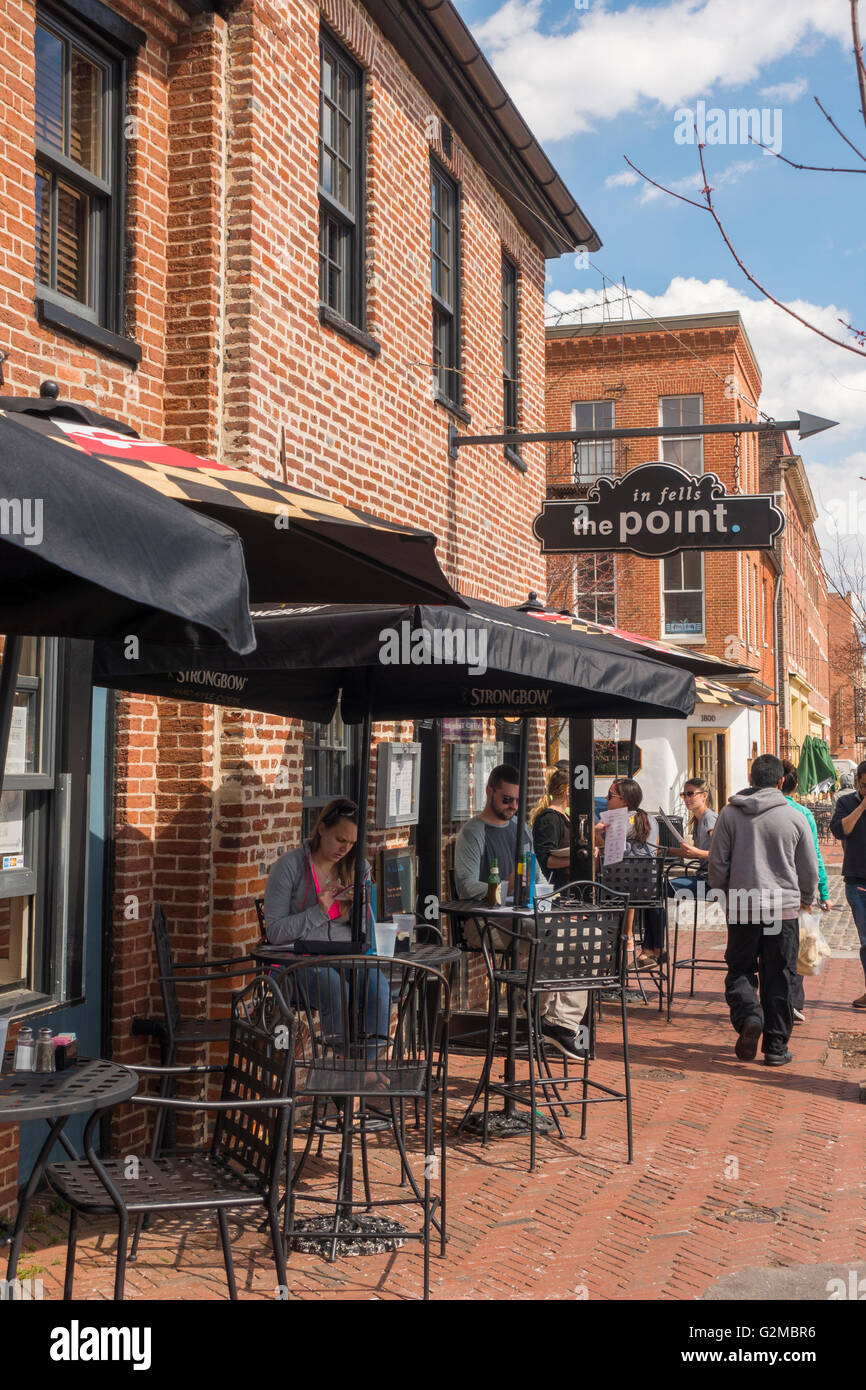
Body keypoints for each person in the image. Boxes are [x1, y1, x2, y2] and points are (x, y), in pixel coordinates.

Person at [455, 763, 587, 1059]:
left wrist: (551, 901)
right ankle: (540, 1014)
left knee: (575, 933)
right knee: (547, 937)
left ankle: (559, 1023)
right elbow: (464, 886)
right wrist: (505, 885)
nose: (513, 806)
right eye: (506, 800)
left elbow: (539, 879)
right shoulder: (473, 832)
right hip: (485, 921)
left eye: (517, 801)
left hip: (525, 917)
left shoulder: (521, 829)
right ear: (490, 792)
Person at [709, 754, 819, 1066]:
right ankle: (775, 1047)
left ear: (752, 779)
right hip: (782, 910)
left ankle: (749, 1018)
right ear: (781, 781)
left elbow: (717, 864)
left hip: (743, 907)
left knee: (741, 969)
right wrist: (808, 898)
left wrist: (722, 895)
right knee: (779, 975)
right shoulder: (794, 816)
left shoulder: (729, 814)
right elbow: (808, 868)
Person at [264, 797, 390, 1052]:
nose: (345, 849)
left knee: (379, 987)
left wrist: (357, 909)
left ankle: (367, 1069)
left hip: (348, 956)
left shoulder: (358, 868)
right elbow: (275, 932)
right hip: (299, 961)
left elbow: (368, 932)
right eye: (340, 839)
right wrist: (321, 911)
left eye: (352, 843)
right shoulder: (290, 867)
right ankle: (339, 1072)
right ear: (322, 829)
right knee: (335, 989)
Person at [780, 760, 832, 1022]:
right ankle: (792, 1001)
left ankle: (772, 1001)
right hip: (796, 892)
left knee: (768, 949)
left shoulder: (743, 811)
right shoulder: (802, 813)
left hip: (757, 894)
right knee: (796, 947)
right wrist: (821, 891)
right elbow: (814, 858)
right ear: (795, 784)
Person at [594, 777, 662, 962]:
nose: (606, 799)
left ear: (623, 800)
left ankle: (612, 950)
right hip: (650, 891)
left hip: (619, 890)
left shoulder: (615, 820)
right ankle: (646, 945)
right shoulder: (651, 819)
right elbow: (654, 851)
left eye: (609, 795)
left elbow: (612, 857)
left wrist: (596, 834)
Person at [829, 759, 866, 1009]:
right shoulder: (846, 803)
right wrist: (862, 806)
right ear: (857, 782)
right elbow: (841, 831)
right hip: (857, 881)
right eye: (864, 786)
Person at [530, 766, 571, 890]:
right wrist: (576, 860)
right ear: (568, 791)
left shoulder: (565, 816)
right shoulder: (549, 819)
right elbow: (545, 860)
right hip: (556, 891)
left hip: (568, 889)